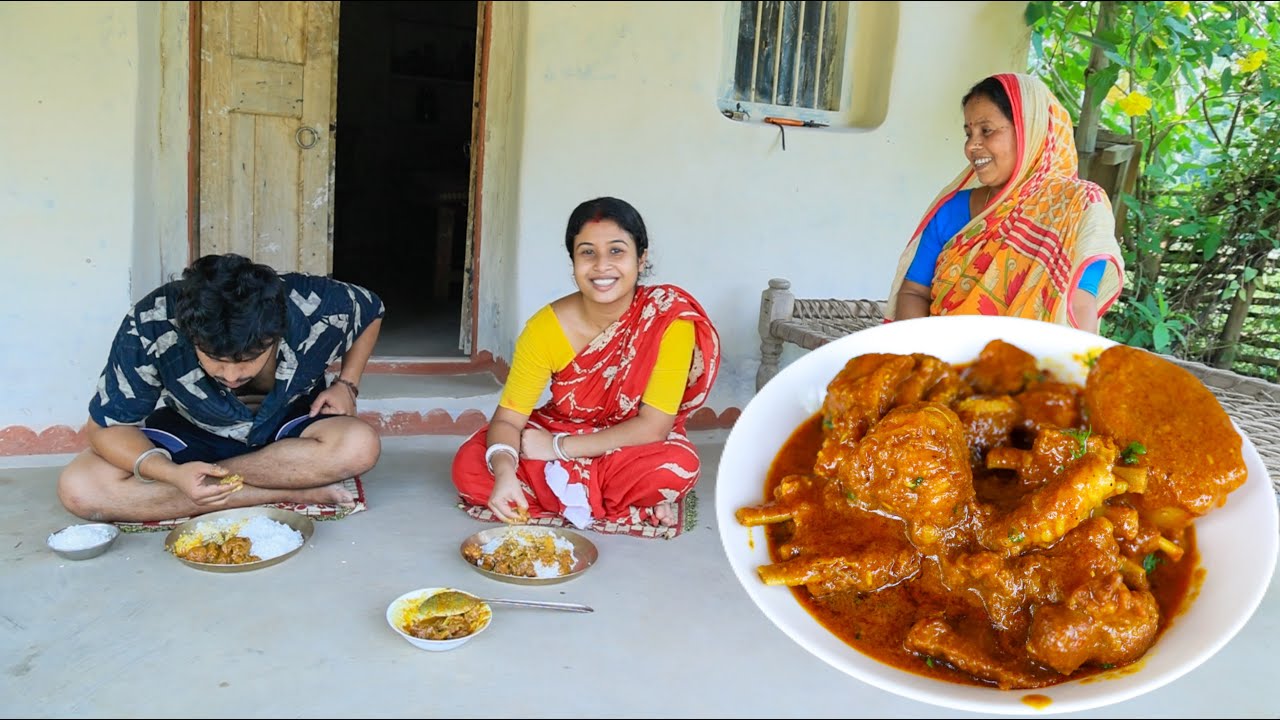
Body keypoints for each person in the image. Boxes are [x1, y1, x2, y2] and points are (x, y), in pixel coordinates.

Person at [451, 196, 721, 535]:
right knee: (470, 465)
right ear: (573, 260)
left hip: (629, 441)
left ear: (642, 258)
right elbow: (507, 420)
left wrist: (556, 448)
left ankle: (577, 494)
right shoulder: (544, 328)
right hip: (562, 426)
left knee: (677, 466)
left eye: (617, 251)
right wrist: (506, 473)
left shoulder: (667, 319)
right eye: (587, 252)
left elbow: (653, 427)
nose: (601, 266)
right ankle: (626, 503)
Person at [57, 253, 385, 523]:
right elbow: (105, 428)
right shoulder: (151, 321)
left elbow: (371, 309)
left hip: (290, 428)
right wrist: (171, 474)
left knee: (359, 445)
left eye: (249, 360)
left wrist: (347, 384)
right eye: (213, 358)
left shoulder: (311, 304)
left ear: (276, 333)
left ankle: (208, 489)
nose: (230, 375)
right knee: (80, 488)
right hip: (195, 432)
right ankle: (282, 491)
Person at [886, 73, 1125, 332]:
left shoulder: (1079, 208)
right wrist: (920, 357)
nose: (971, 146)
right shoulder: (952, 209)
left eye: (986, 131)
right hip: (943, 363)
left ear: (1028, 131)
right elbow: (914, 292)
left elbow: (1079, 307)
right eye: (968, 133)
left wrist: (1075, 370)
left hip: (1031, 367)